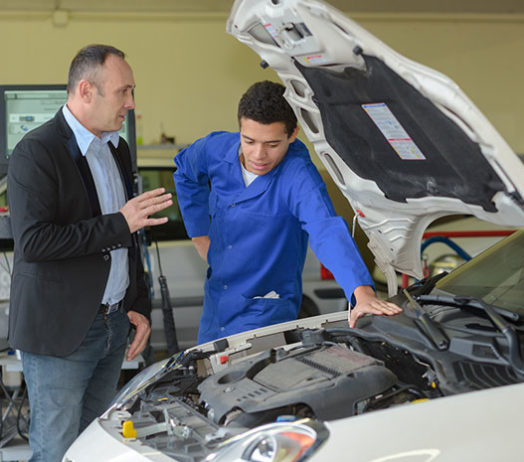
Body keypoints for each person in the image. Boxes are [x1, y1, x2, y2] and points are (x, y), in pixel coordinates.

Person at [7, 44, 173, 462]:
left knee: (93, 448)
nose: (131, 104)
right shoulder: (35, 152)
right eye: (123, 92)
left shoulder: (115, 148)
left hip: (113, 325)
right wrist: (120, 222)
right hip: (62, 333)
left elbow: (130, 242)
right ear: (86, 91)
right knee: (56, 449)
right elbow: (36, 243)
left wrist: (137, 304)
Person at [174, 80, 401, 344]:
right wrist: (199, 233)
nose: (258, 155)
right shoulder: (215, 149)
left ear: (292, 135)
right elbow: (185, 172)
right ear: (240, 129)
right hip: (216, 302)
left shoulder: (298, 177)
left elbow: (325, 230)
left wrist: (361, 293)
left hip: (264, 309)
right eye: (249, 141)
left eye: (272, 144)